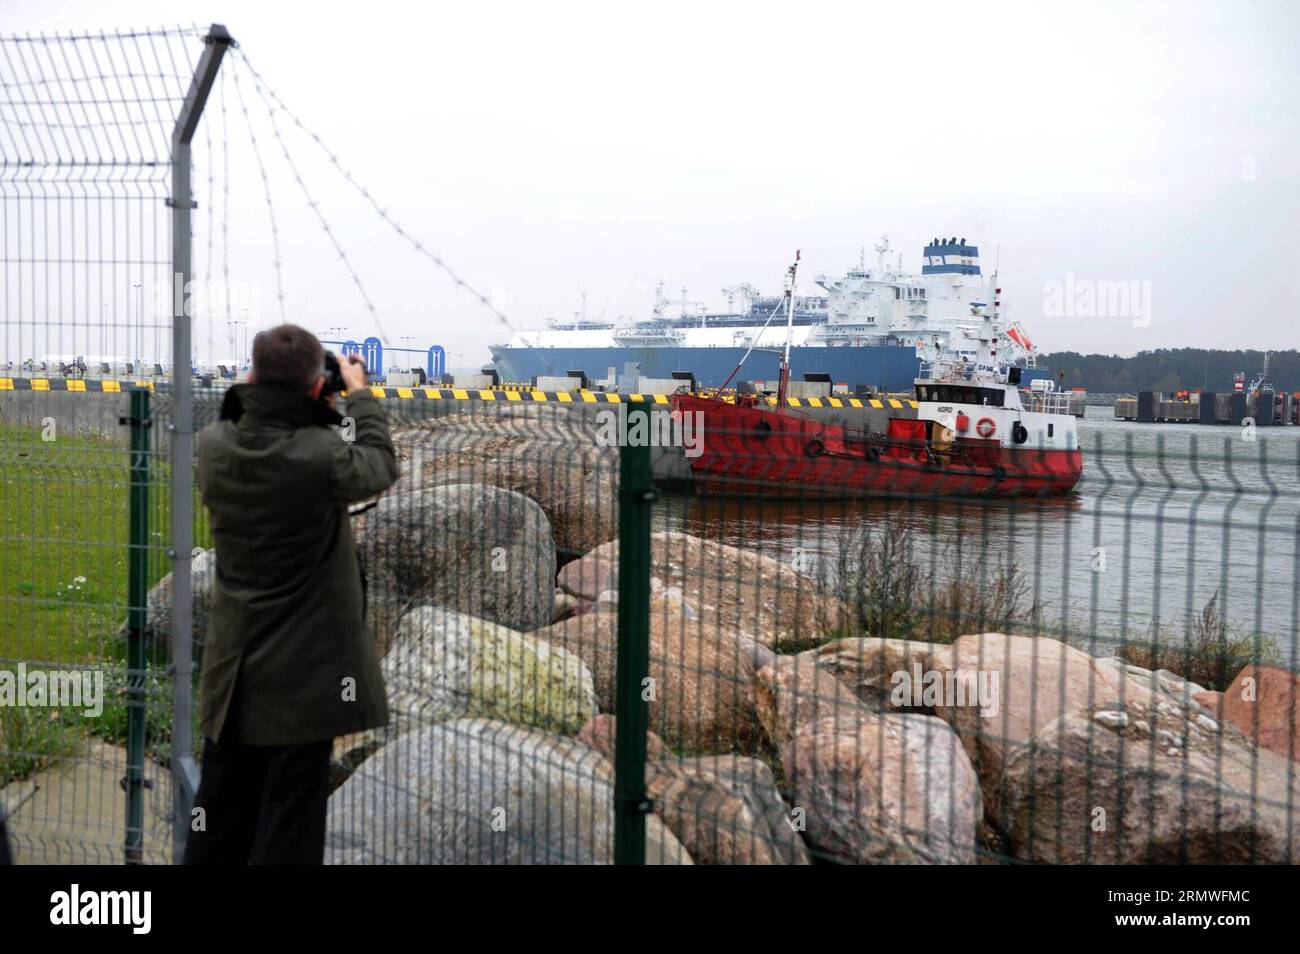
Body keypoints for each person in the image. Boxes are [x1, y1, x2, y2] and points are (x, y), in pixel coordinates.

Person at [183, 324, 399, 865]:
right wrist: (358, 396)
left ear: (251, 376)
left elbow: (249, 421)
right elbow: (380, 464)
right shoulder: (321, 455)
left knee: (218, 818)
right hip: (303, 687)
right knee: (289, 827)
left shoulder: (213, 447)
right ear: (312, 388)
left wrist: (301, 398)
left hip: (234, 676)